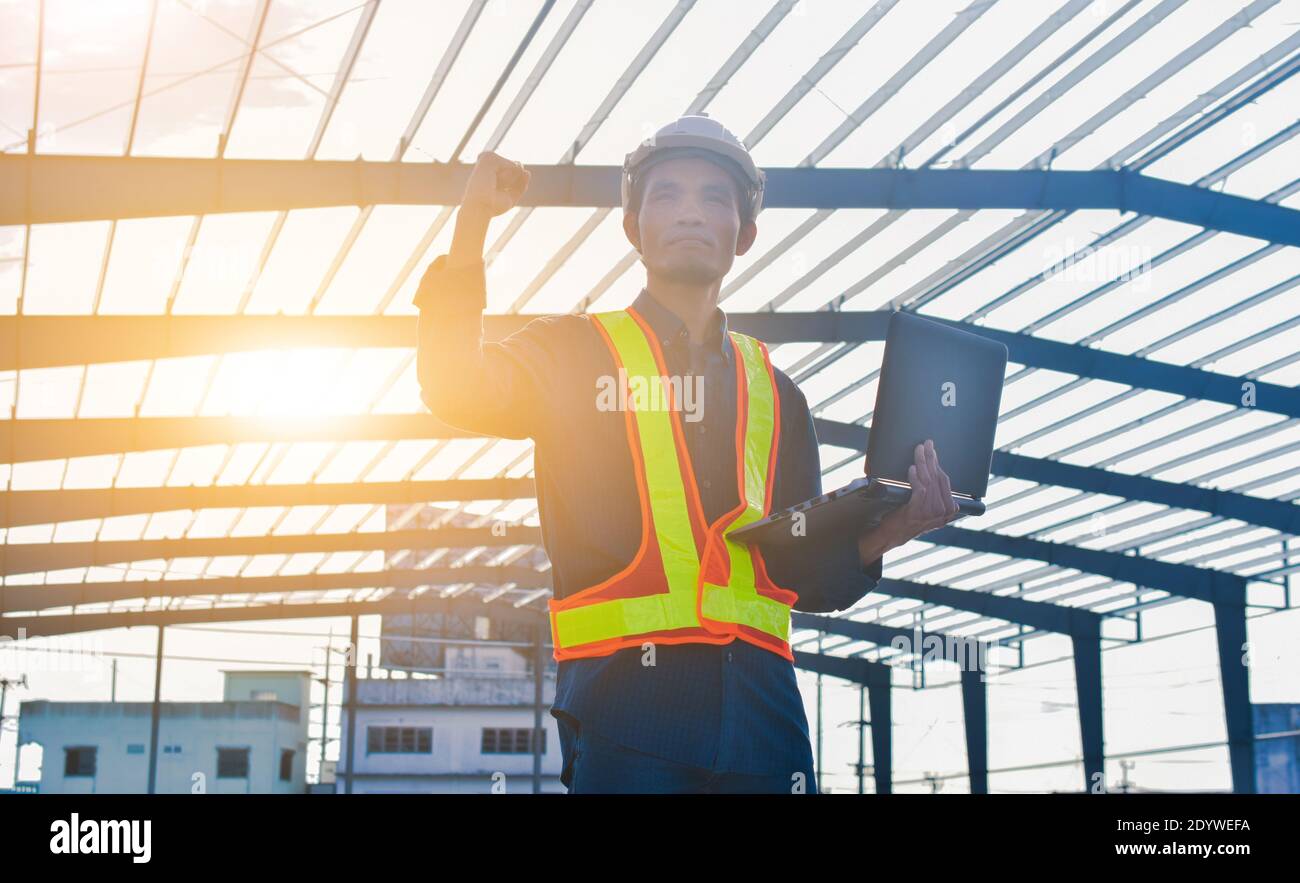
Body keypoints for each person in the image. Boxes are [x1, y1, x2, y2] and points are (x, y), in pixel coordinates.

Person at [413, 114, 959, 794]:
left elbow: (805, 576)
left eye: (715, 198)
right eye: (666, 195)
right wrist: (471, 227)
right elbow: (453, 383)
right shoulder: (574, 354)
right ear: (633, 227)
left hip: (767, 724)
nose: (690, 213)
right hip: (625, 715)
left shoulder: (777, 393)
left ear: (745, 234)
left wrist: (893, 527)